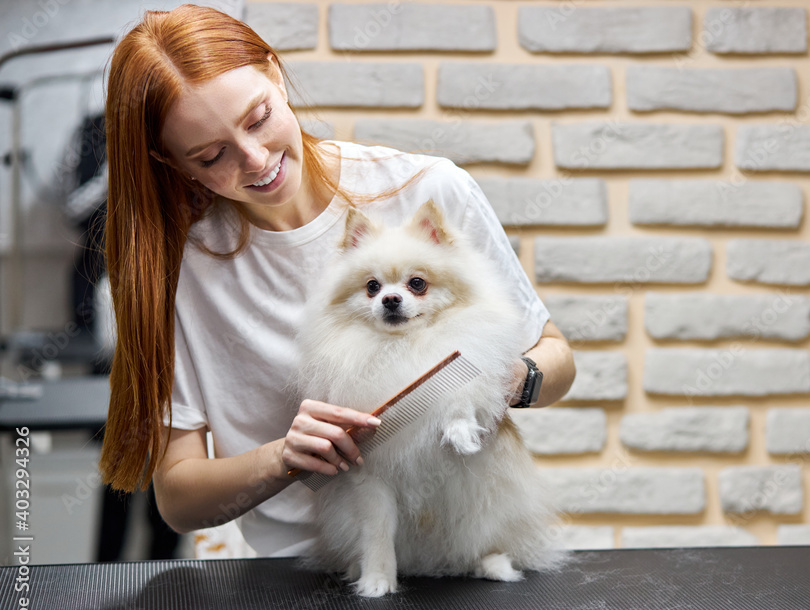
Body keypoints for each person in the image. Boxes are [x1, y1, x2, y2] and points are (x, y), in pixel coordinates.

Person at [100, 4, 575, 557]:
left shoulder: (427, 191)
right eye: (212, 156)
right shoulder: (183, 270)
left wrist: (504, 378)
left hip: (455, 555)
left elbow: (557, 361)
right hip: (298, 574)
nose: (255, 160)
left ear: (275, 73)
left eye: (258, 119)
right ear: (174, 162)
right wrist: (282, 458)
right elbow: (179, 503)